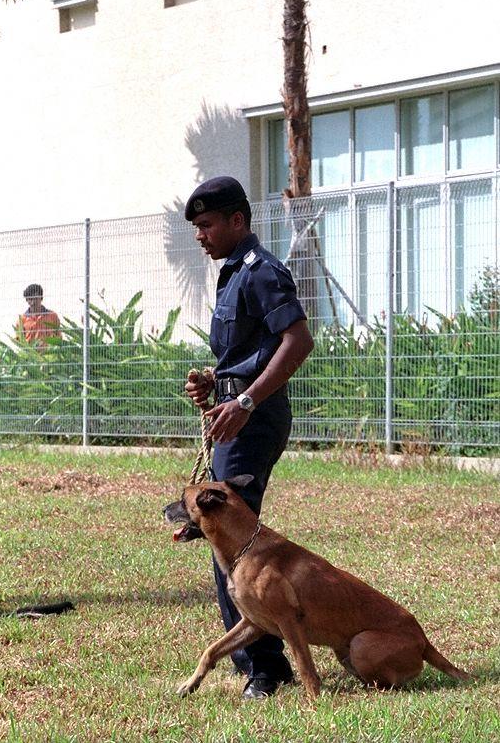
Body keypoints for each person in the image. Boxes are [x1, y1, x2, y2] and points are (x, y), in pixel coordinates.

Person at [184, 176, 314, 700]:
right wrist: (217, 381)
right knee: (229, 539)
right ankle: (254, 658)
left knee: (232, 538)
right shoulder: (232, 274)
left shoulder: (262, 272)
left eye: (208, 224)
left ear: (238, 220)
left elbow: (297, 340)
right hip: (239, 409)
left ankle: (265, 667)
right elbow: (253, 350)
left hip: (254, 420)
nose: (201, 235)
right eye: (196, 227)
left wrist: (244, 401)